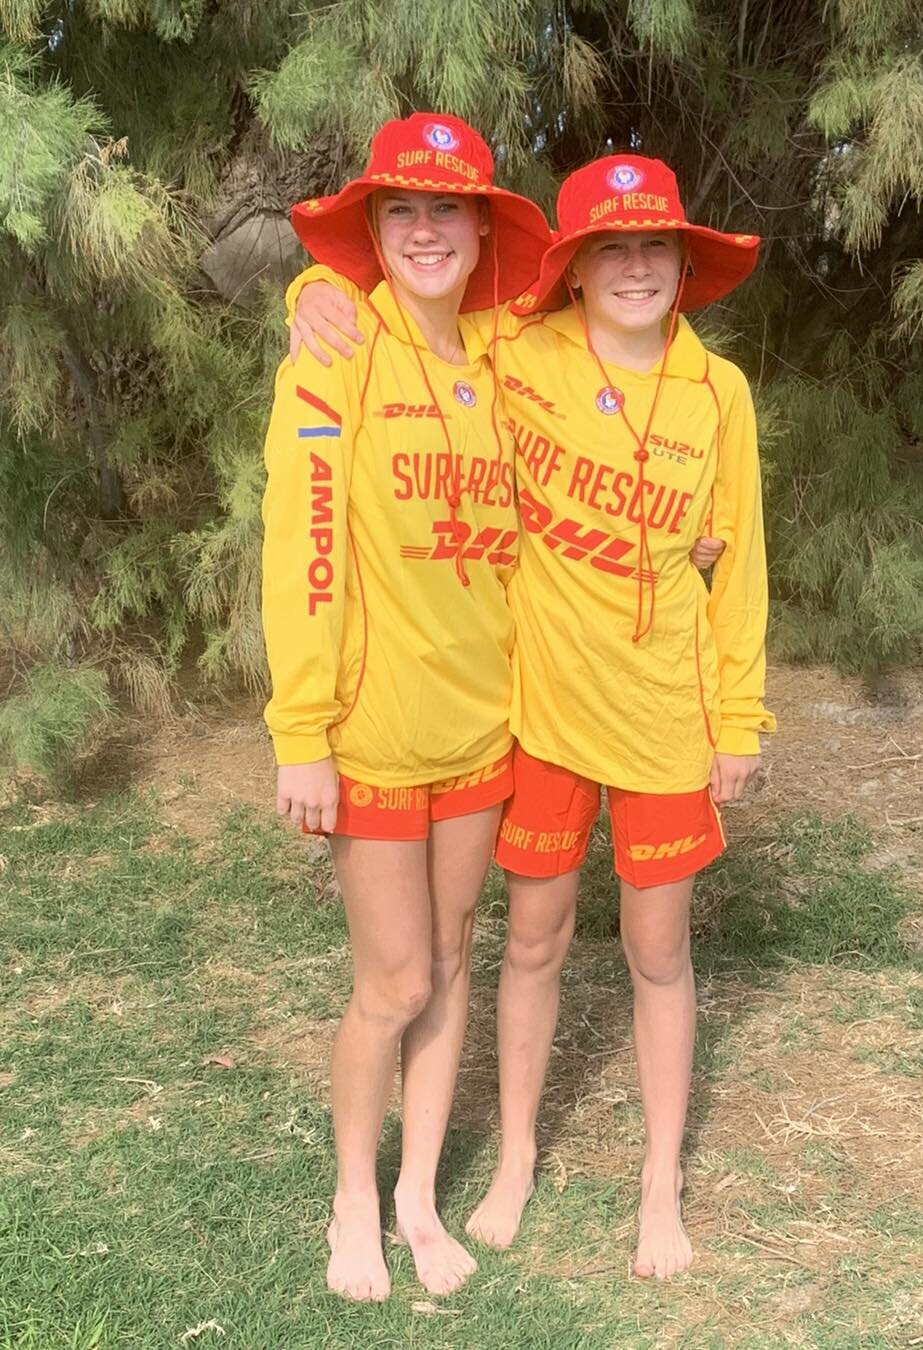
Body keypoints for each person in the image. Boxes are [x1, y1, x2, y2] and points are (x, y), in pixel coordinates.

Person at [288, 153, 774, 1280]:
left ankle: (661, 1186)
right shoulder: (524, 349)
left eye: (659, 245)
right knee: (534, 940)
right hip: (541, 715)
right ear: (577, 266)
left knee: (658, 951)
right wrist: (302, 290)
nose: (639, 265)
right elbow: (404, 302)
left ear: (687, 263)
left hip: (661, 719)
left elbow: (738, 560)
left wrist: (737, 717)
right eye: (613, 246)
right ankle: (510, 1159)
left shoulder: (722, 397)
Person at [261, 111, 549, 1302]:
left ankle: (418, 1197)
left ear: (483, 230)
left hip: (485, 731)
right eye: (402, 211)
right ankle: (349, 1208)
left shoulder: (503, 354)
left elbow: (628, 337)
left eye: (448, 210)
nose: (426, 231)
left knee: (452, 957)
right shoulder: (336, 349)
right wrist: (302, 732)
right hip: (373, 734)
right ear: (373, 230)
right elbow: (305, 545)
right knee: (392, 984)